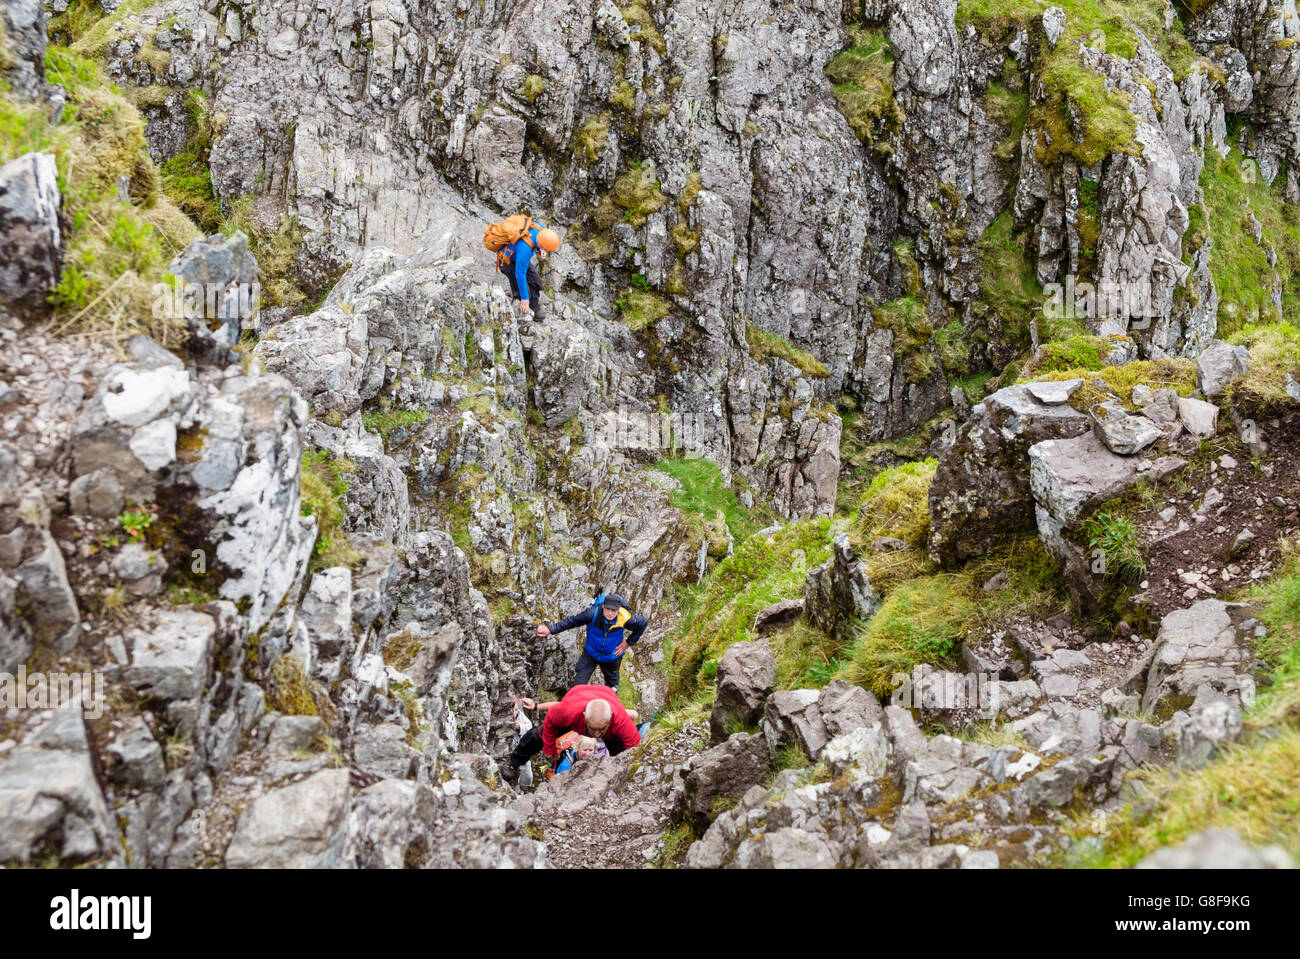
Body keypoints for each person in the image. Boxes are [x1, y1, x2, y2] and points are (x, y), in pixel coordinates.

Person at [502, 683, 639, 782]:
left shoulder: (620, 721)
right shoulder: (569, 712)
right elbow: (551, 719)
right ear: (584, 715)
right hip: (578, 695)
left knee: (621, 755)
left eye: (601, 730)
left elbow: (635, 750)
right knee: (537, 735)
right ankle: (514, 762)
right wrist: (549, 749)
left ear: (610, 721)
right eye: (593, 729)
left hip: (607, 701)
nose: (597, 735)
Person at [536, 593, 648, 691]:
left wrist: (628, 643)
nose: (610, 613)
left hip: (611, 657)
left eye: (613, 610)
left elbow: (643, 623)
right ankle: (576, 708)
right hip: (591, 653)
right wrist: (550, 630)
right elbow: (572, 622)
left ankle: (607, 709)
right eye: (607, 609)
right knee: (577, 685)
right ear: (603, 606)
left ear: (618, 610)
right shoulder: (592, 614)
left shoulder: (625, 619)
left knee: (612, 686)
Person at [497, 219, 560, 323]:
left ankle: (534, 310)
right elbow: (519, 275)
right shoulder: (525, 249)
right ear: (541, 243)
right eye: (545, 248)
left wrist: (541, 250)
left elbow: (538, 242)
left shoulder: (540, 229)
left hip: (517, 256)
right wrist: (525, 298)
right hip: (506, 261)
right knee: (520, 291)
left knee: (535, 282)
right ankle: (519, 316)